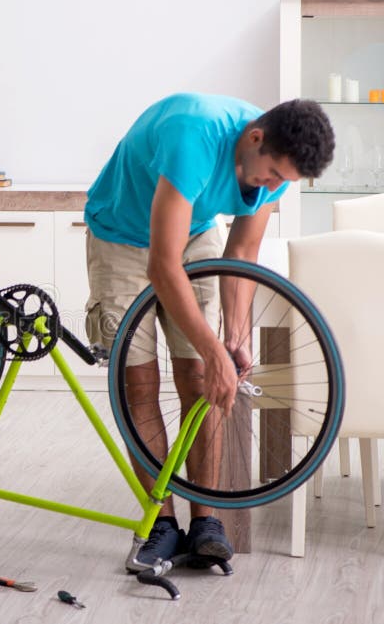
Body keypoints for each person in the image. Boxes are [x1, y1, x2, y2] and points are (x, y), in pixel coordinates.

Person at [83, 93, 334, 571]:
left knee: (203, 382)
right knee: (139, 384)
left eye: (286, 181)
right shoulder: (192, 135)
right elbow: (162, 264)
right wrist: (215, 352)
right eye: (275, 174)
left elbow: (241, 253)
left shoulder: (274, 170)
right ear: (255, 138)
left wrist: (233, 339)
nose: (274, 186)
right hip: (120, 238)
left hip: (196, 233)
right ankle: (159, 523)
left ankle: (206, 522)